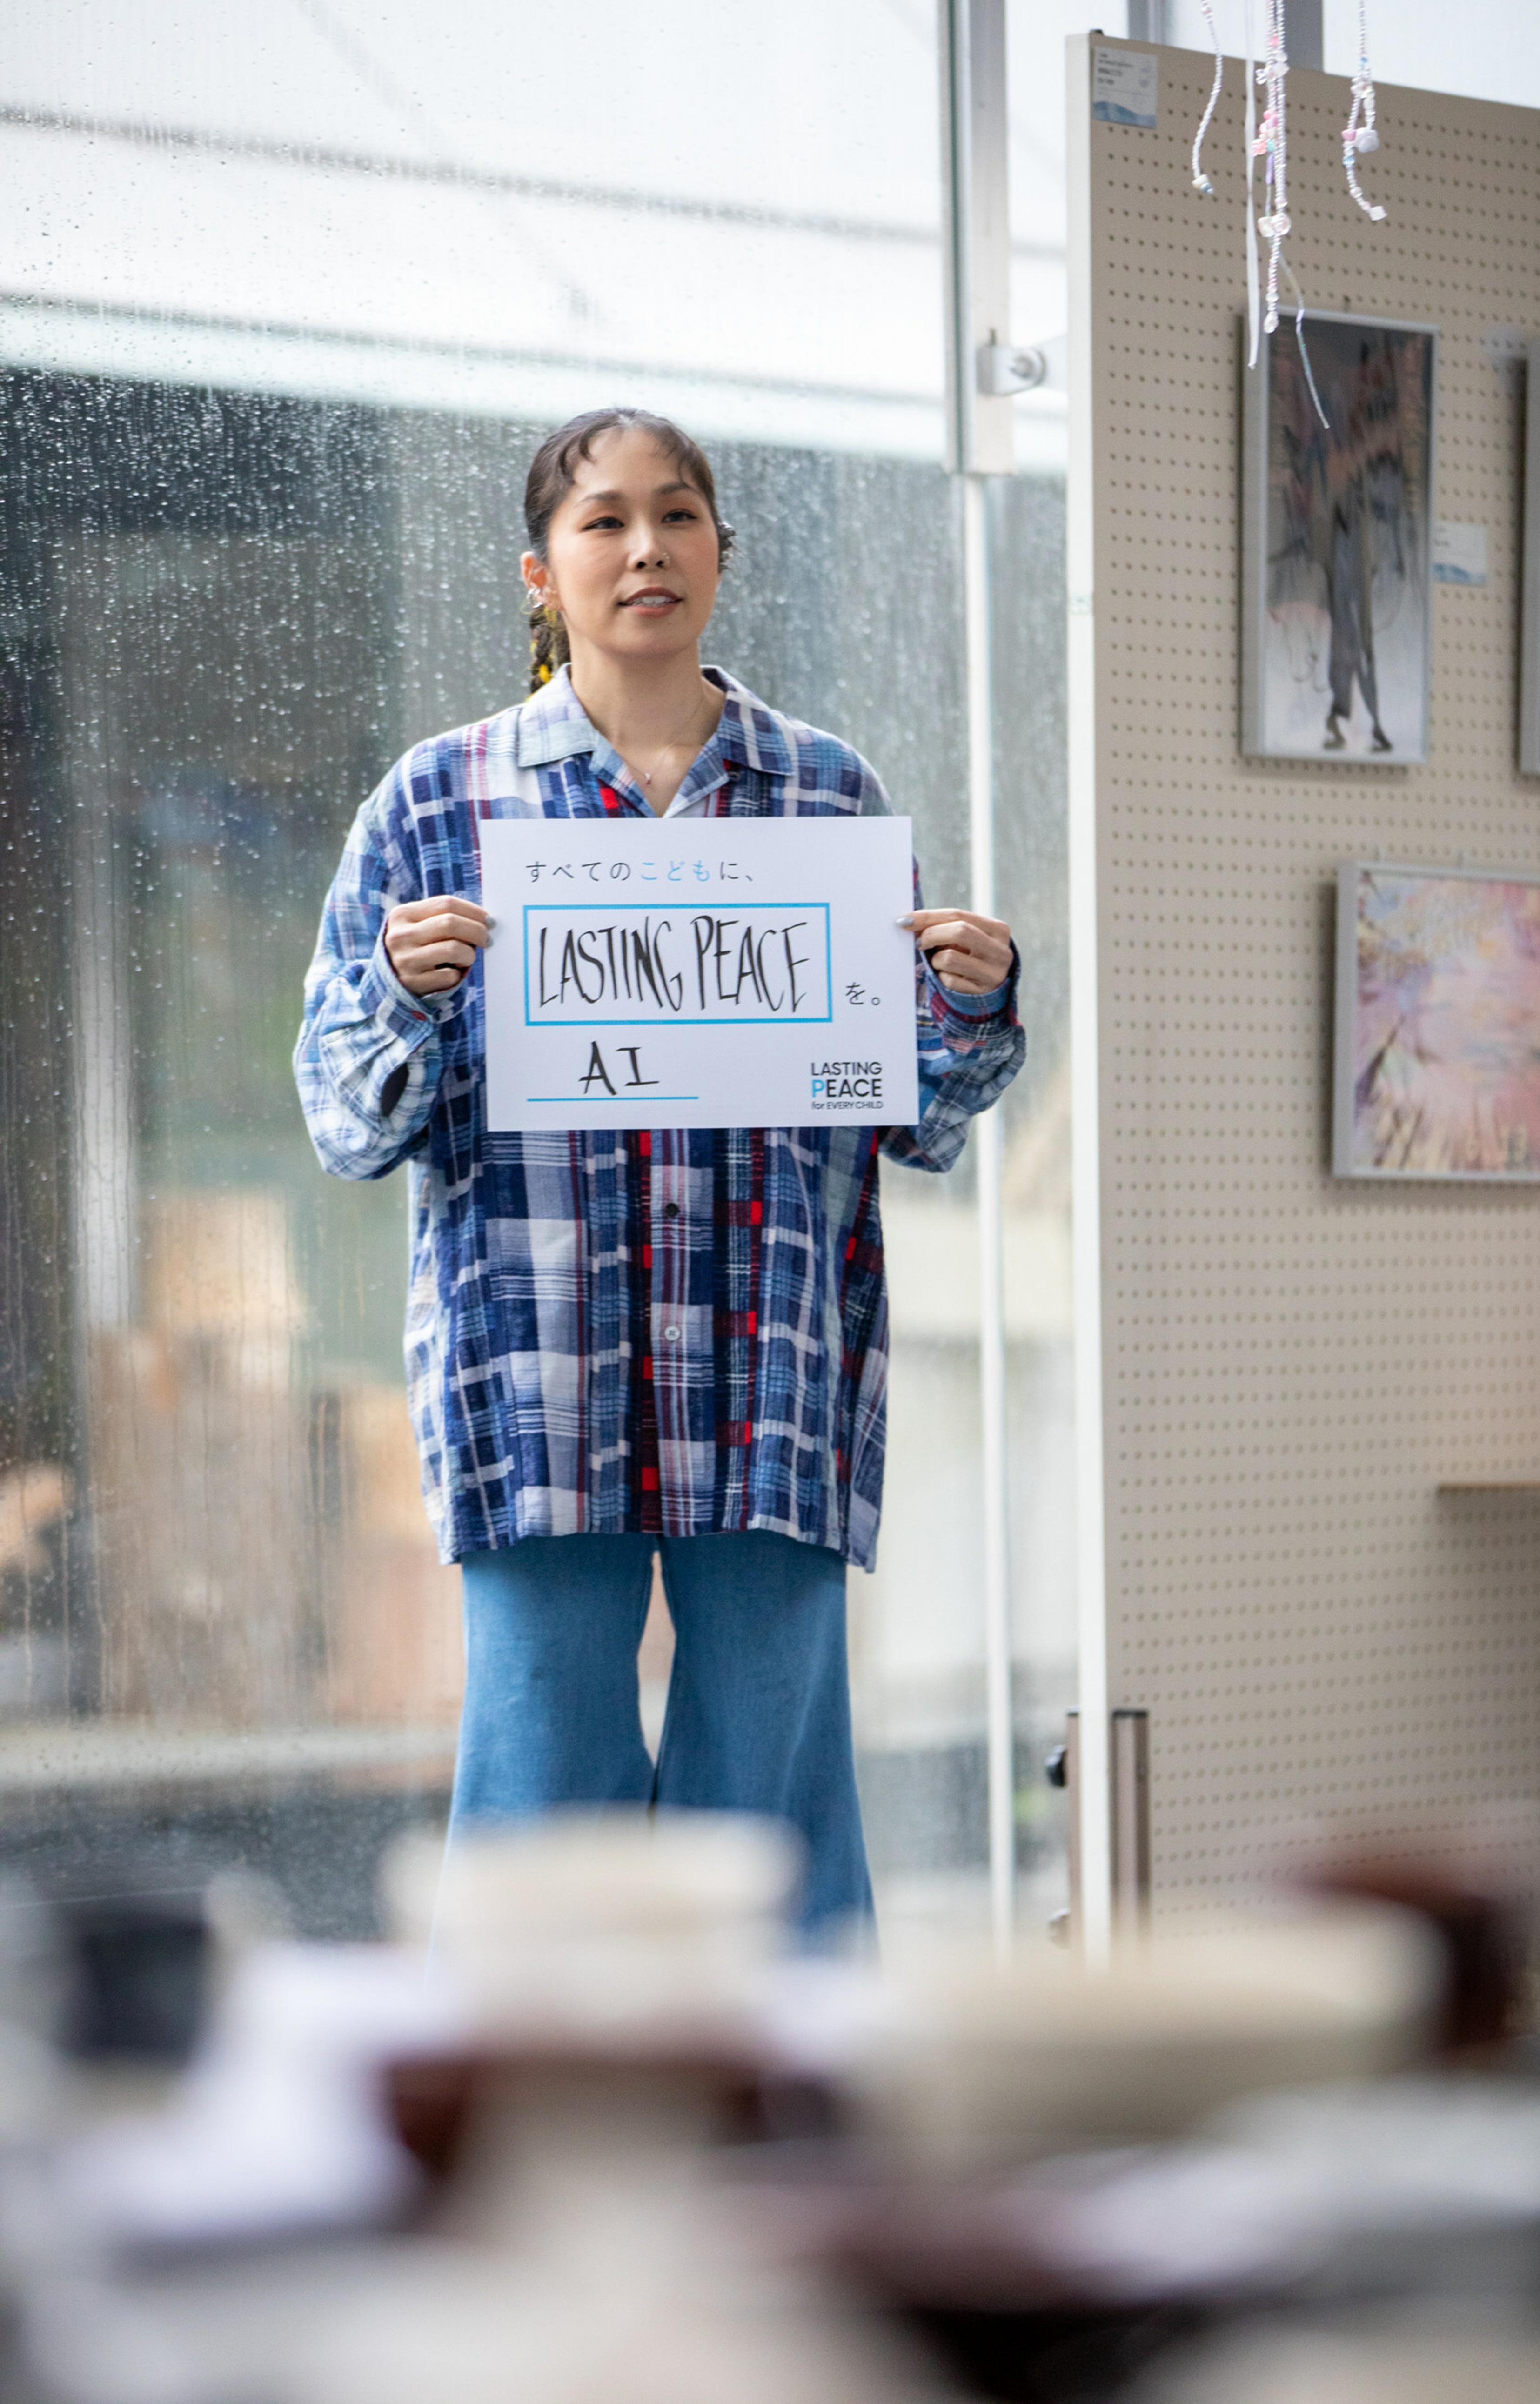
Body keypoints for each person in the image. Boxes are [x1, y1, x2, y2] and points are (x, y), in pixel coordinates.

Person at [295, 407, 1024, 1937]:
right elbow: (347, 1123)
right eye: (605, 521)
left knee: (776, 1806)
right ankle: (526, 2118)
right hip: (537, 1376)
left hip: (773, 1375)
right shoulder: (438, 804)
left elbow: (911, 1115)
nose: (645, 549)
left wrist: (967, 1000)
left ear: (720, 552)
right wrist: (403, 998)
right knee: (538, 1790)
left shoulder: (827, 795)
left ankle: (793, 2143)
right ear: (540, 574)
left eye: (678, 516)